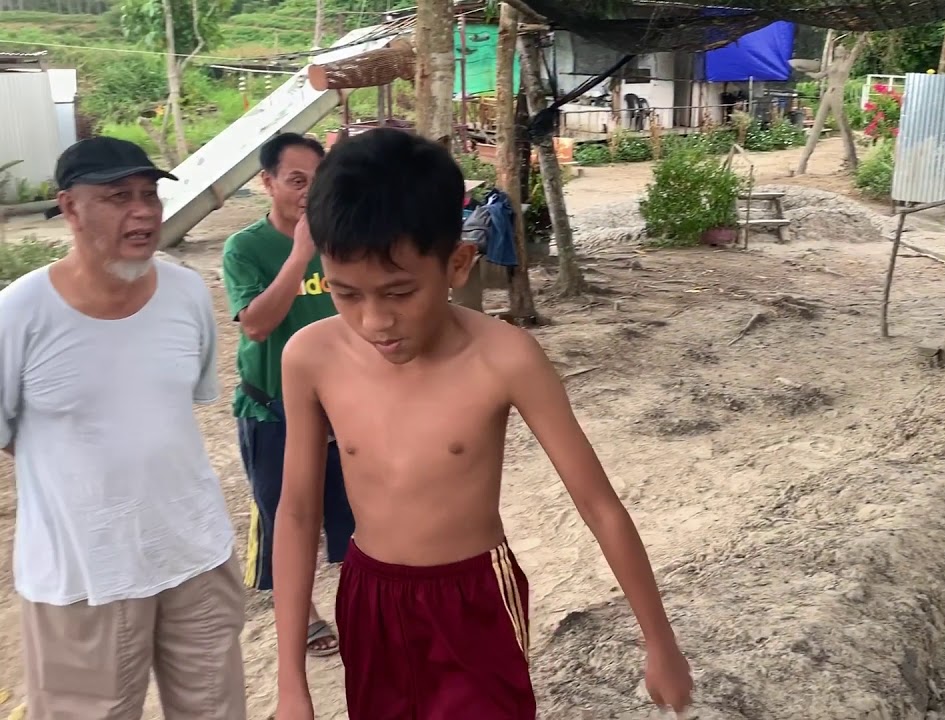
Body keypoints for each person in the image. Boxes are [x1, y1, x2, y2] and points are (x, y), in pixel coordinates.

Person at [271, 128, 694, 720]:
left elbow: (598, 504)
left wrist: (660, 640)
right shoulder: (310, 357)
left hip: (474, 596)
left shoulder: (505, 357)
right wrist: (291, 681)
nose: (374, 322)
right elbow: (295, 513)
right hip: (369, 595)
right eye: (346, 294)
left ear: (458, 263)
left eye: (399, 292)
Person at [0, 137, 246, 718]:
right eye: (118, 197)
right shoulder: (20, 313)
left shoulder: (187, 292)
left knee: (216, 709)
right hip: (85, 575)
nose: (143, 211)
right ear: (69, 208)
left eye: (149, 195)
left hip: (196, 557)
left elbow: (169, 408)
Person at [221, 132, 354, 657]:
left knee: (355, 514)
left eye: (317, 180)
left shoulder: (342, 239)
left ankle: (357, 604)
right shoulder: (246, 248)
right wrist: (300, 255)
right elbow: (255, 324)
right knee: (283, 516)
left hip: (343, 406)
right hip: (272, 410)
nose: (308, 191)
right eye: (297, 180)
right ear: (266, 183)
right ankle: (303, 616)